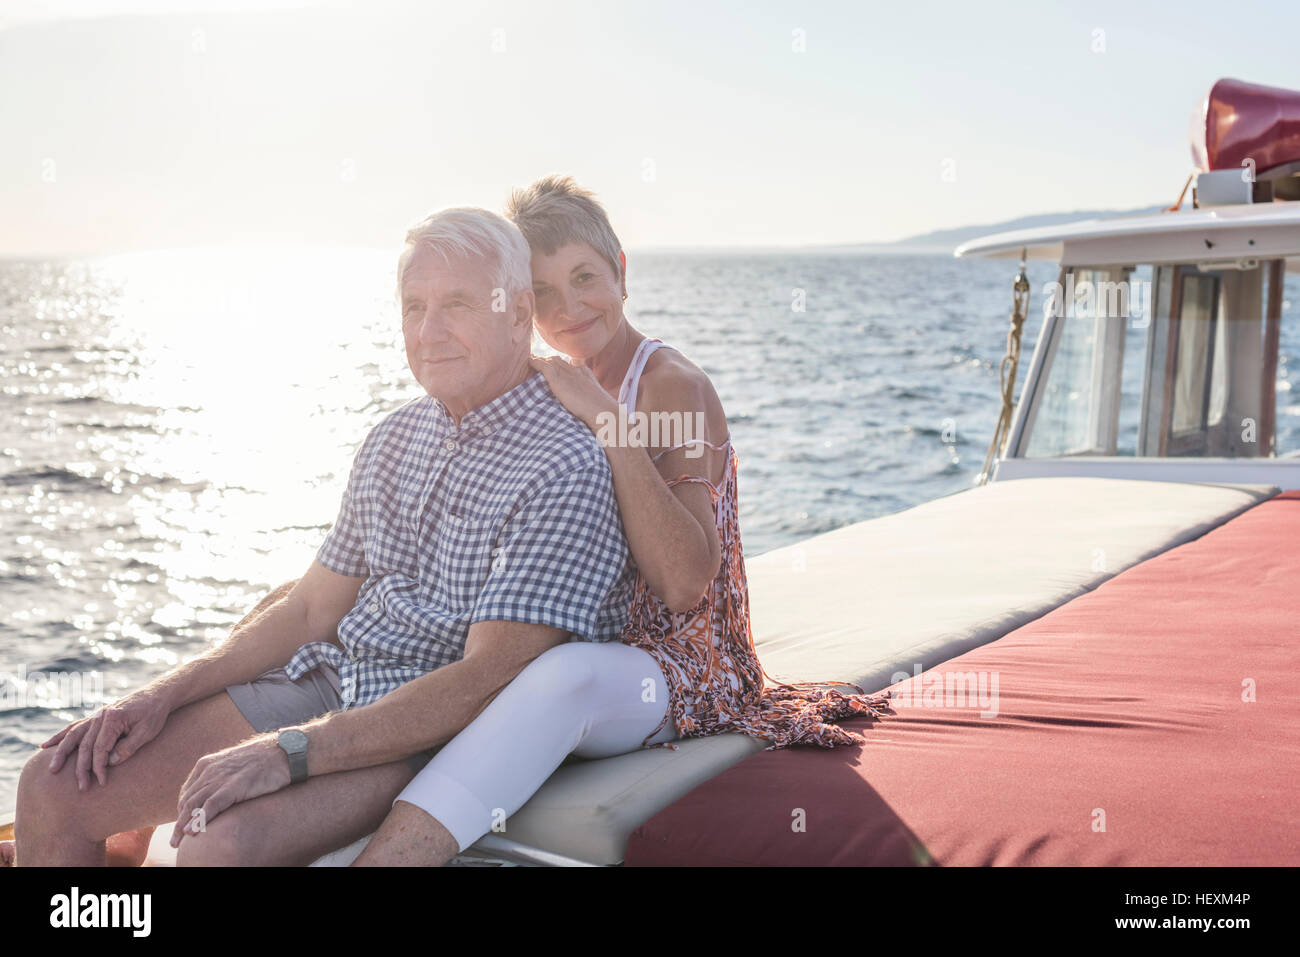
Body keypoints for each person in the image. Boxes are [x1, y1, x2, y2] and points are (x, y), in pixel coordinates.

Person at [5, 207, 639, 866]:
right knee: (52, 785)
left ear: (517, 314)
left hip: (422, 732)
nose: (429, 330)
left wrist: (294, 751)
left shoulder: (564, 462)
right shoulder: (395, 437)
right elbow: (311, 607)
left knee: (218, 839)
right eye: (414, 306)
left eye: (457, 304)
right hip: (331, 681)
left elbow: (482, 680)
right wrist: (161, 694)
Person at [353, 176, 891, 866]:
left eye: (585, 277)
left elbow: (684, 581)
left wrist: (608, 422)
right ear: (518, 308)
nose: (569, 306)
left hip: (682, 666)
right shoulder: (538, 385)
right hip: (578, 637)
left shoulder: (670, 385)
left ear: (622, 273)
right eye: (544, 293)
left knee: (561, 677)